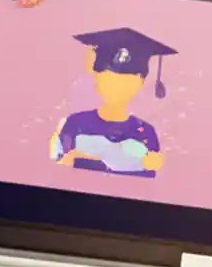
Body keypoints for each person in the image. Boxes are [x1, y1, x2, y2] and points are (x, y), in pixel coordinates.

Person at [49, 27, 177, 178]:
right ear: (97, 79)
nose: (117, 89)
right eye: (109, 81)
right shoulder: (76, 124)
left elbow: (146, 179)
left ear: (141, 84)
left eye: (127, 84)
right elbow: (62, 166)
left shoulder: (146, 133)